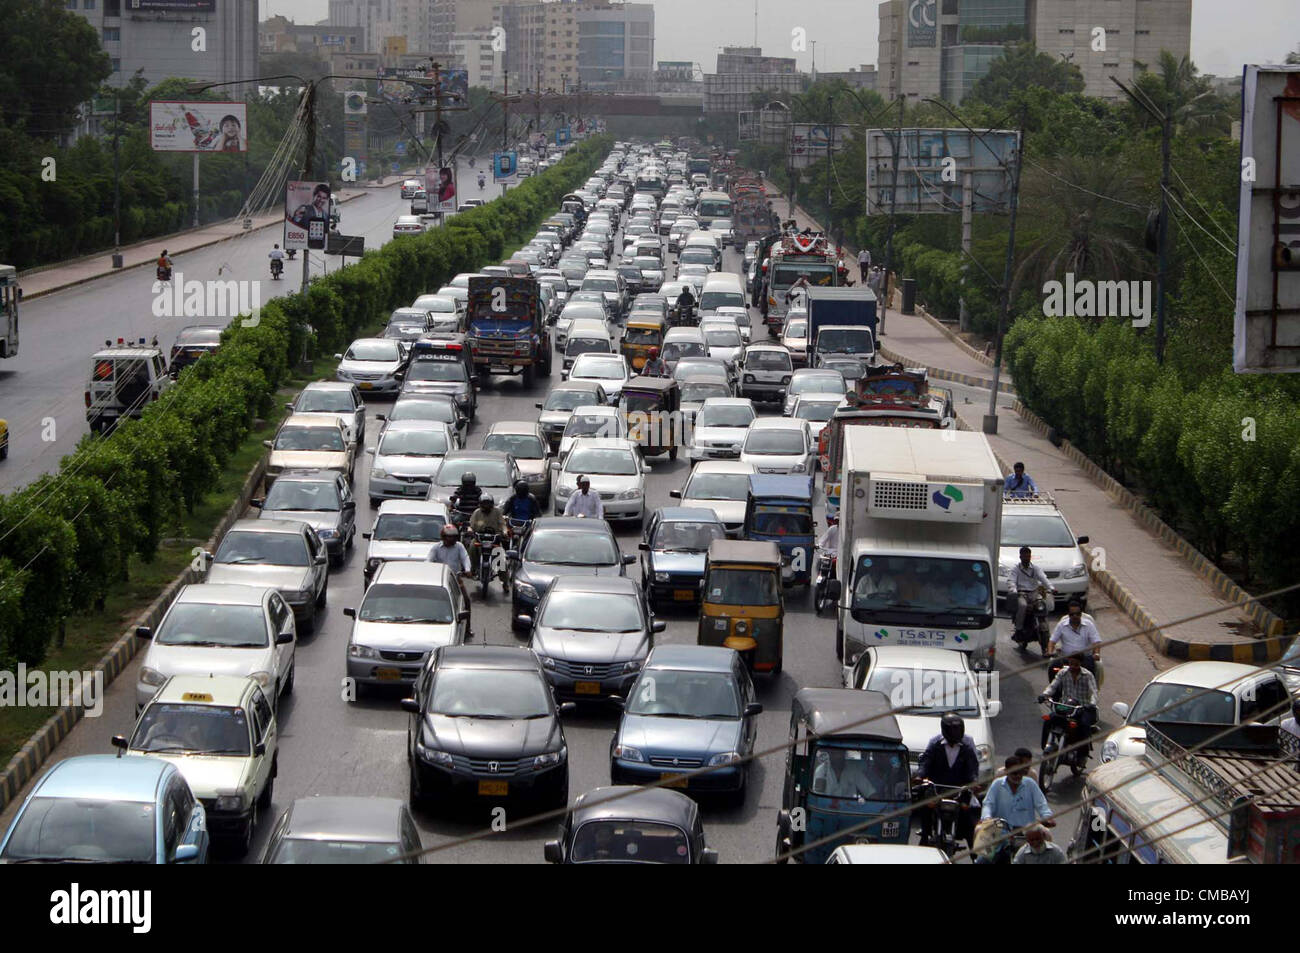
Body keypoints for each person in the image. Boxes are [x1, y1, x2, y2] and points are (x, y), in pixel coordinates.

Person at [914, 712, 980, 849]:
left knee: (969, 815)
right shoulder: (935, 744)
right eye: (952, 730)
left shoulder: (967, 747)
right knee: (925, 805)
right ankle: (925, 835)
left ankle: (974, 852)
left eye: (958, 729)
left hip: (959, 790)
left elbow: (972, 768)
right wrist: (920, 776)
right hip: (937, 788)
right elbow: (926, 762)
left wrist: (974, 782)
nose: (955, 733)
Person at [977, 751, 1053, 864]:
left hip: (1026, 832)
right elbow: (988, 804)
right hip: (1000, 831)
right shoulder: (997, 784)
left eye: (1020, 773)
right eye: (1014, 773)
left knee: (1048, 849)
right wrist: (987, 818)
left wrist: (1047, 817)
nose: (1017, 776)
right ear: (1006, 772)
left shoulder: (1030, 784)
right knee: (983, 860)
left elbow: (1041, 804)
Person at [1038, 654, 1099, 750]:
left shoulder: (1088, 675)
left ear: (1081, 663)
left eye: (1076, 664)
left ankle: (1084, 751)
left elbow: (1093, 692)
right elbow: (1053, 686)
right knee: (1049, 719)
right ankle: (1044, 745)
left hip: (1082, 708)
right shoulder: (1063, 673)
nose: (1073, 667)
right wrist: (1044, 695)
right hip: (1065, 706)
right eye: (1071, 664)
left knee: (1084, 724)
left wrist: (1092, 704)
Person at [1048, 600, 1101, 674]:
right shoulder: (1061, 625)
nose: (1075, 616)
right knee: (1053, 668)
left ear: (1081, 614)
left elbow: (1096, 641)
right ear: (1068, 614)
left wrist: (1097, 654)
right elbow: (1052, 641)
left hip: (1084, 660)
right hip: (1066, 659)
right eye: (1072, 614)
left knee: (1091, 670)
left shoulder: (1089, 625)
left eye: (1077, 614)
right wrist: (1050, 652)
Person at [1010, 546, 1052, 638]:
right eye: (1024, 556)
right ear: (1020, 557)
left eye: (1028, 556)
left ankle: (1043, 624)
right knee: (1023, 606)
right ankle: (1019, 629)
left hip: (1034, 593)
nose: (1026, 558)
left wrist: (1051, 588)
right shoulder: (1016, 569)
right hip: (1022, 594)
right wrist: (1014, 590)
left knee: (1042, 604)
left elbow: (1043, 578)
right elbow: (1011, 581)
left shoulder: (1036, 568)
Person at [812, 748, 877, 800]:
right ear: (830, 754)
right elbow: (817, 797)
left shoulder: (853, 770)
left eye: (839, 752)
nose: (837, 756)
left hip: (848, 810)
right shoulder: (821, 771)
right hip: (826, 810)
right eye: (834, 753)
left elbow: (869, 791)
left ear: (844, 753)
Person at [469, 495, 509, 574]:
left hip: (494, 538)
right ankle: (474, 568)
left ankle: (504, 581)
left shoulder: (497, 512)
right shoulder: (477, 512)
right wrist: (470, 530)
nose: (486, 506)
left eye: (488, 504)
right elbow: (471, 525)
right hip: (480, 537)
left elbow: (502, 524)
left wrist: (505, 532)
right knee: (472, 547)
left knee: (501, 558)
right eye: (484, 504)